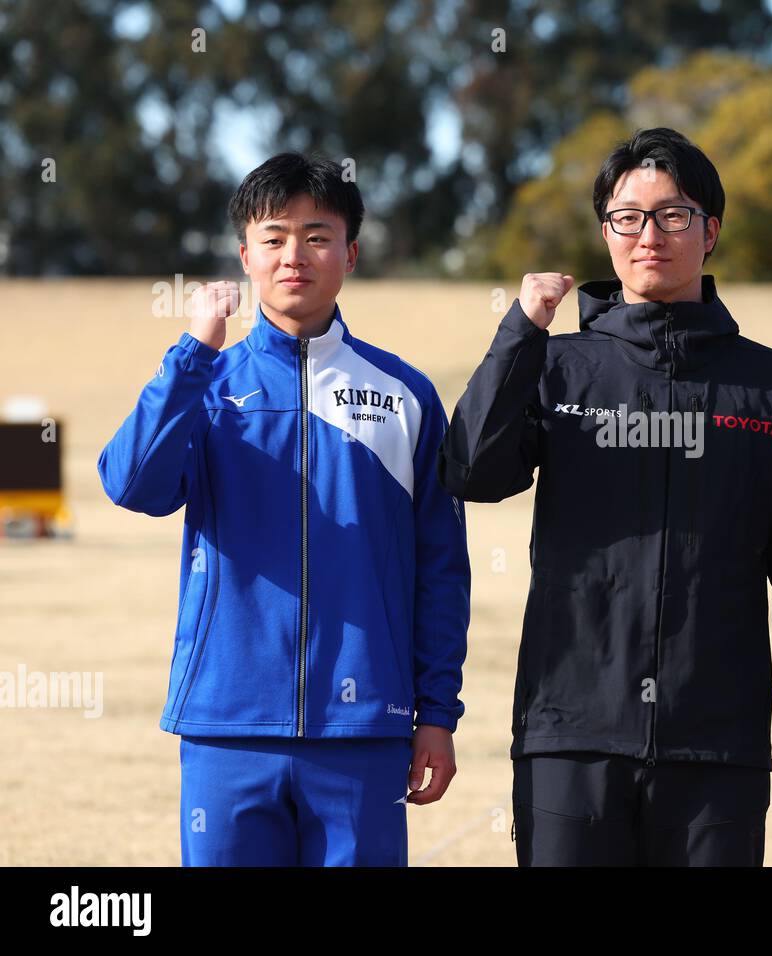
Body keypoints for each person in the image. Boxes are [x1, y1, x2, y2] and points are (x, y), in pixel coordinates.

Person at [438, 127, 772, 866]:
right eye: (627, 217)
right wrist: (520, 334)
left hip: (717, 742)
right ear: (606, 234)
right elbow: (471, 470)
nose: (649, 234)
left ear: (711, 230)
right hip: (570, 733)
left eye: (674, 214)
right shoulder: (556, 368)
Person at [98, 153, 470, 866]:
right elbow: (132, 484)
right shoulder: (205, 380)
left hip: (365, 730)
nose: (293, 255)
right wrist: (193, 351)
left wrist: (437, 714)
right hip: (226, 724)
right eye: (272, 238)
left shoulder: (406, 394)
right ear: (245, 256)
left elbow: (442, 568)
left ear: (351, 253)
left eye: (316, 235)